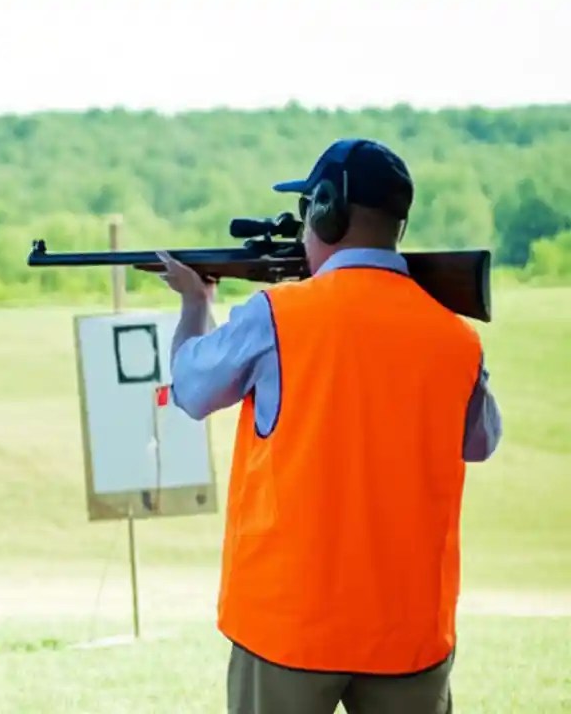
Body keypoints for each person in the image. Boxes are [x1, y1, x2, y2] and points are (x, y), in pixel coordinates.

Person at [156, 138, 503, 714]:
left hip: (287, 622)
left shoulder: (278, 316)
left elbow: (191, 391)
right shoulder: (456, 337)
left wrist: (196, 303)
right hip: (408, 628)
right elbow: (480, 443)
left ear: (325, 209)